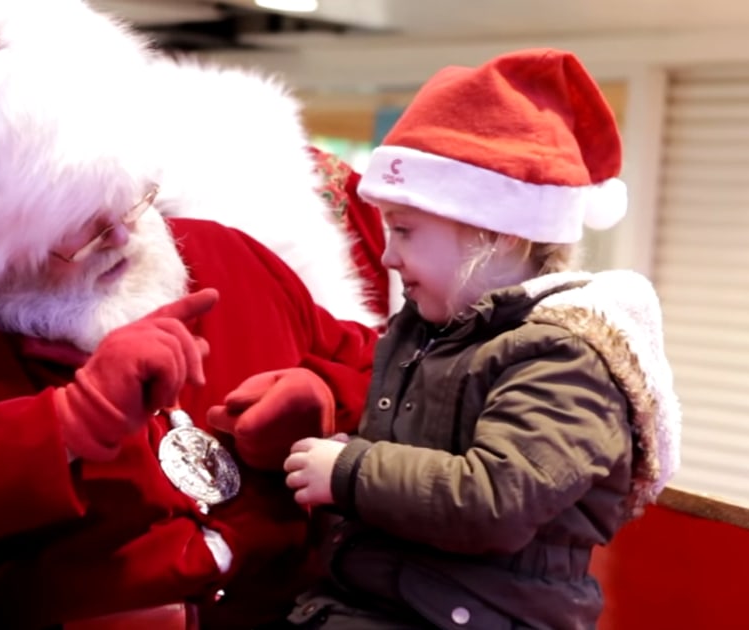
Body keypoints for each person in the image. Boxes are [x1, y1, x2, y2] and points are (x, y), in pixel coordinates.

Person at [0, 0, 383, 628]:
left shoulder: (231, 258)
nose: (124, 238)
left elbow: (389, 373)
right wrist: (65, 423)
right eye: (82, 233)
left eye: (130, 202)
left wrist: (325, 394)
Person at [281, 48, 683, 630]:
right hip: (390, 601)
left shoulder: (564, 355)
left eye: (406, 231)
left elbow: (496, 499)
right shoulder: (432, 331)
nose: (388, 255)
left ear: (494, 236)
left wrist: (350, 471)